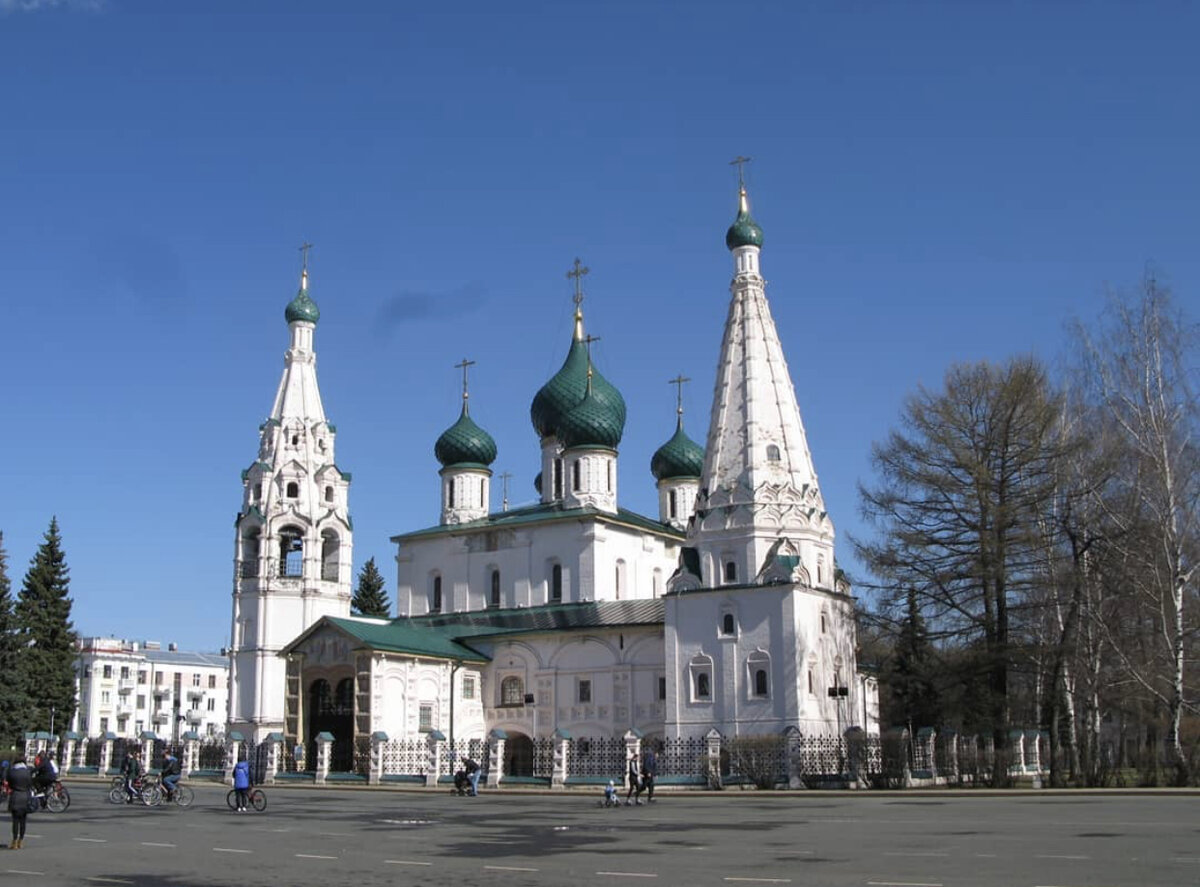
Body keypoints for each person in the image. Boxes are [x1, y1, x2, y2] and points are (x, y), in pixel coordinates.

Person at [5, 755, 32, 850]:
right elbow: (30, 784)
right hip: (25, 796)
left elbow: (9, 783)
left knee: (15, 821)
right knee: (23, 820)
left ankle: (14, 841)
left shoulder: (12, 772)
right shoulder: (28, 772)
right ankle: (21, 841)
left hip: (16, 796)